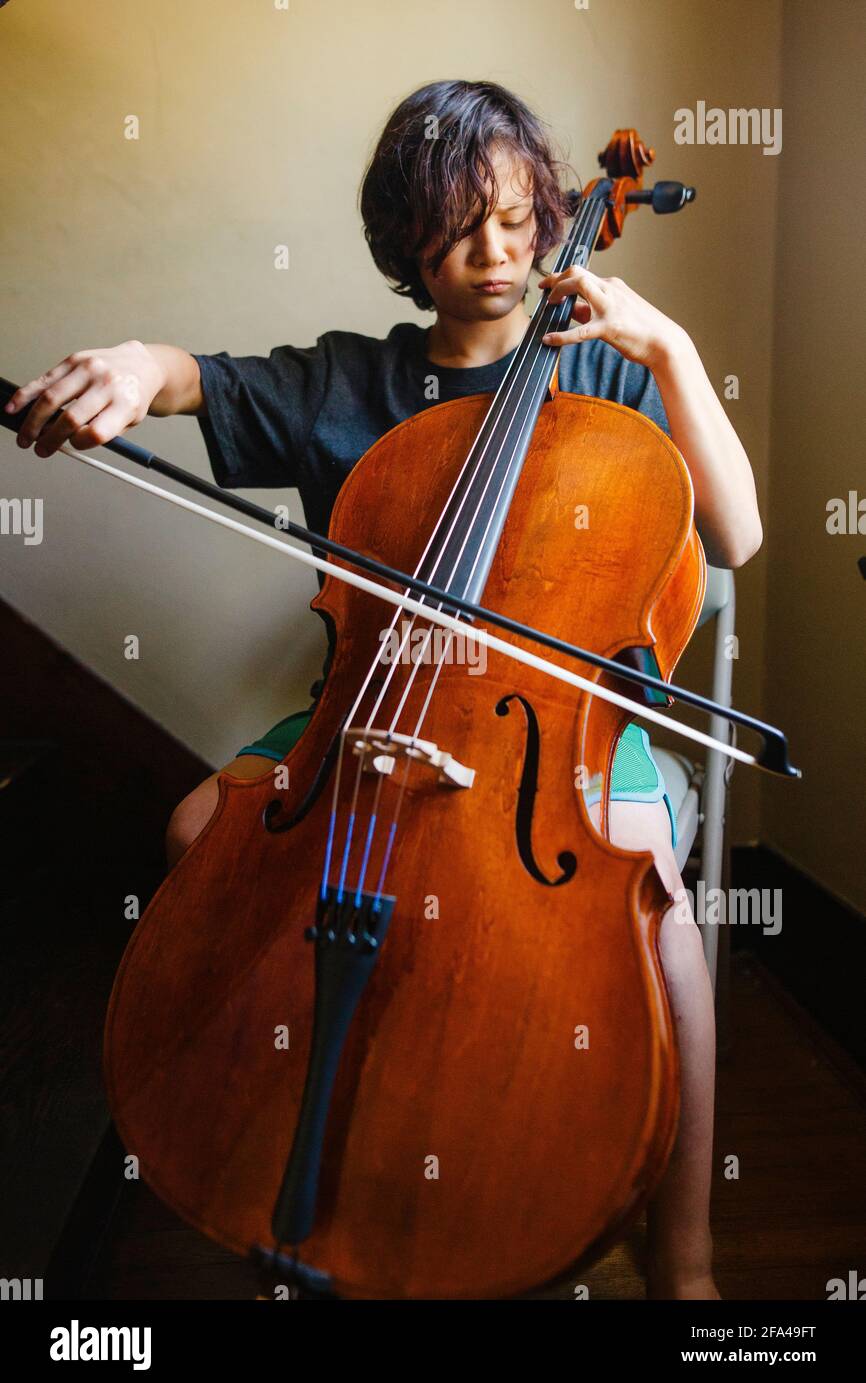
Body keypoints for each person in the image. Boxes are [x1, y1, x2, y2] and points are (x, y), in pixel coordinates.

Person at [5, 79, 761, 1300]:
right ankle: (285, 1158)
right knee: (200, 827)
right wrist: (132, 367)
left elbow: (732, 536)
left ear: (556, 214)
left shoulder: (604, 380)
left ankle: (683, 1266)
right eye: (458, 227)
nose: (497, 255)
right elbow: (196, 375)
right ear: (403, 240)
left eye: (518, 220)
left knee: (659, 912)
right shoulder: (346, 384)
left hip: (551, 733)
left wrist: (666, 349)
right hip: (364, 716)